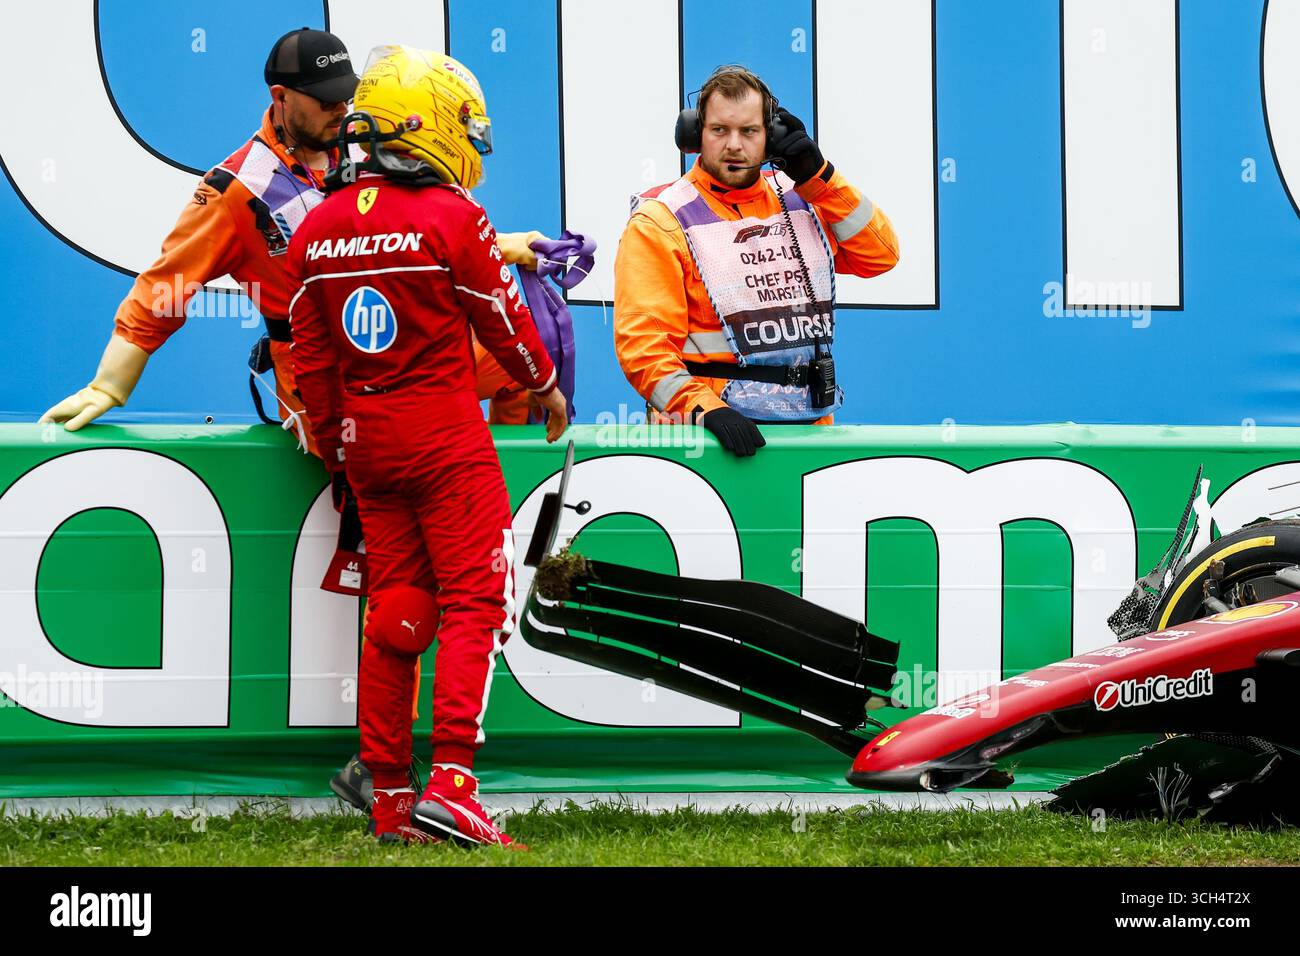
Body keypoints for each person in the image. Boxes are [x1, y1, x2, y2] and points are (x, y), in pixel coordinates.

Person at [287, 45, 567, 846]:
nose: (471, 143)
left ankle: (388, 800)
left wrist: (344, 455)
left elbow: (312, 367)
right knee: (476, 600)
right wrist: (545, 386)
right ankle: (453, 784)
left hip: (367, 446)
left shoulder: (318, 226)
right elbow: (504, 322)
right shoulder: (453, 216)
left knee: (397, 611)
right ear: (432, 121)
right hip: (446, 441)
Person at [39, 26, 545, 441]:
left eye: (346, 98)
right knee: (373, 493)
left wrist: (505, 244)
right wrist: (110, 385)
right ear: (280, 97)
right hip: (320, 374)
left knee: (526, 364)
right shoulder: (236, 190)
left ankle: (504, 490)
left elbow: (419, 237)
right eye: (325, 101)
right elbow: (164, 287)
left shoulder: (362, 146)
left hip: (402, 344)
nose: (340, 111)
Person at [613, 65, 900, 456]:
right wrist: (704, 411)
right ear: (696, 135)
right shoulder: (661, 220)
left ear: (772, 137)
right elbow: (644, 347)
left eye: (748, 131)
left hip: (808, 431)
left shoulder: (806, 199)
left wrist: (821, 177)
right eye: (719, 130)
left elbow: (880, 256)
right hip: (707, 437)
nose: (734, 144)